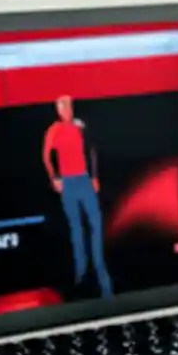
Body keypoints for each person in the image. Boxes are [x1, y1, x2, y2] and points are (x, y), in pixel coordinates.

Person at [42, 95, 114, 299]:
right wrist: (54, 178)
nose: (66, 110)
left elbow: (92, 150)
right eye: (62, 106)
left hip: (84, 179)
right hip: (68, 181)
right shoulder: (53, 130)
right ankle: (81, 273)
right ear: (57, 109)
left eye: (69, 106)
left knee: (95, 222)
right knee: (76, 227)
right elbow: (47, 155)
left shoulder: (80, 126)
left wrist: (94, 176)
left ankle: (99, 267)